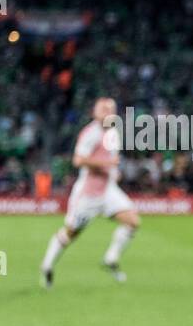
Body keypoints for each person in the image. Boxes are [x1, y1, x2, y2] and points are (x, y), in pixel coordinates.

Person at [40, 97, 140, 287]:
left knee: (133, 221)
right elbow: (78, 160)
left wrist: (113, 171)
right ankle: (47, 266)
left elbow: (113, 158)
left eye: (111, 109)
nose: (108, 112)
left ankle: (110, 259)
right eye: (103, 109)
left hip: (108, 190)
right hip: (88, 194)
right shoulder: (90, 134)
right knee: (71, 233)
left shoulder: (113, 133)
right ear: (94, 113)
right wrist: (107, 165)